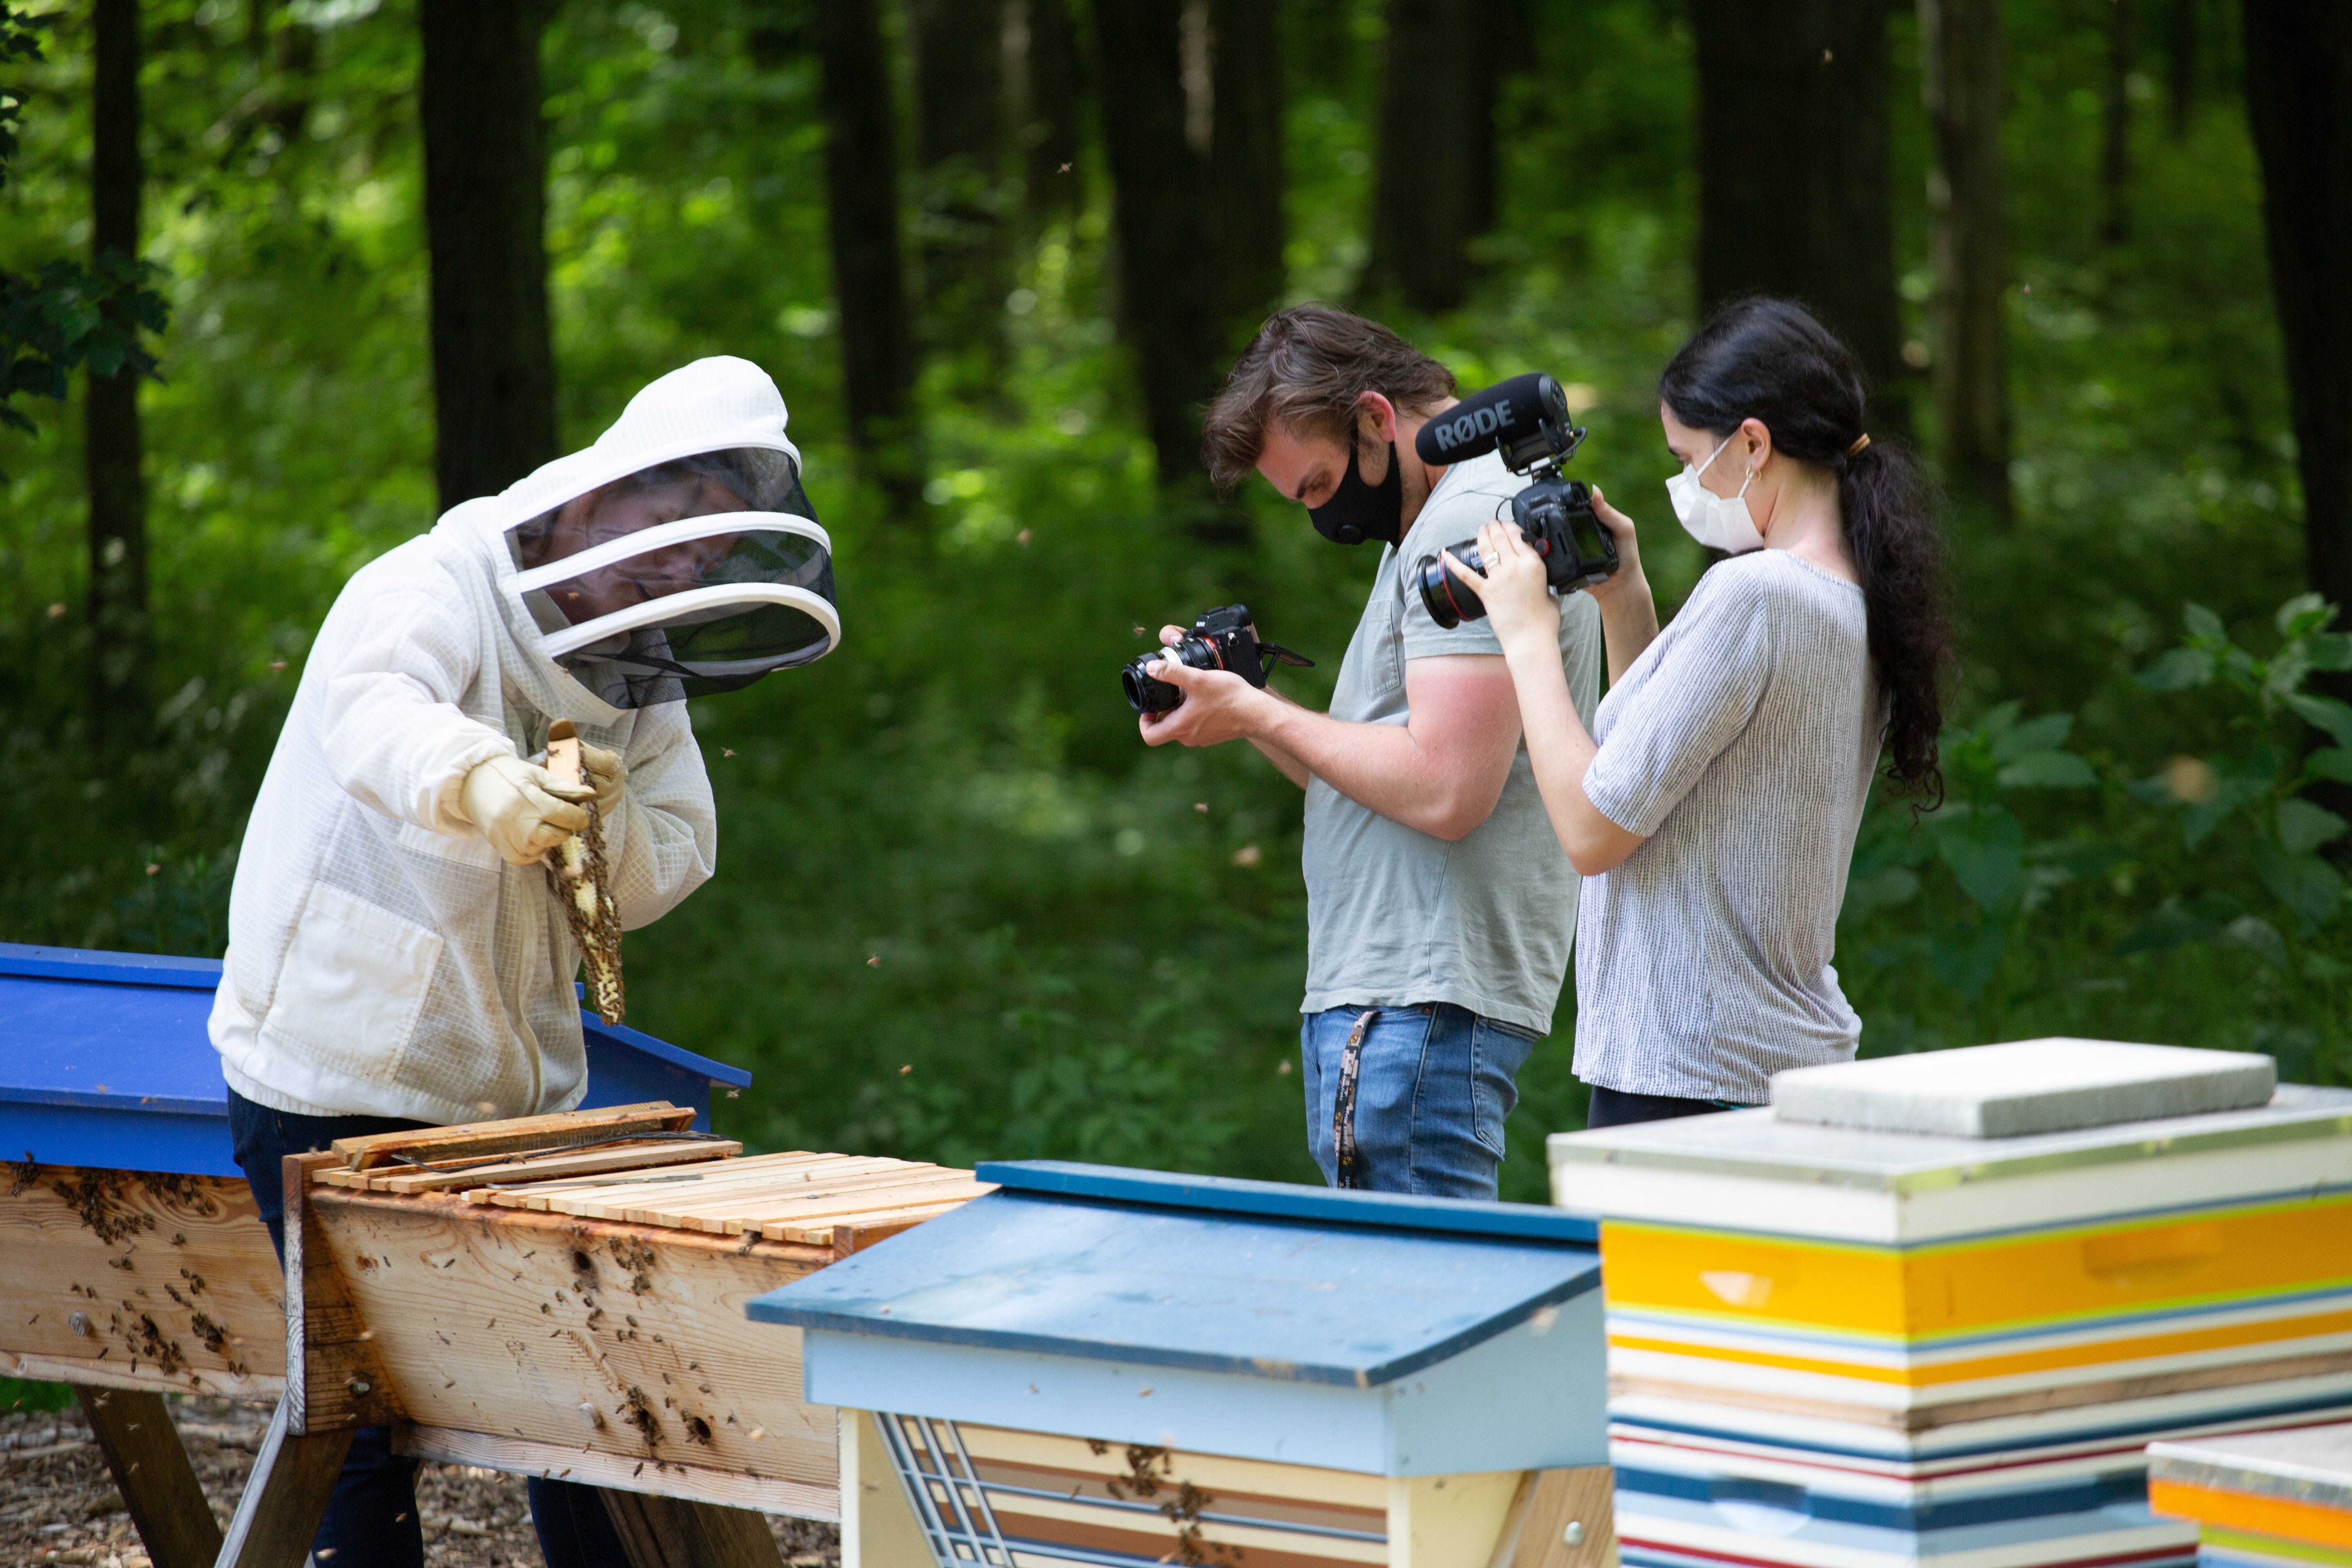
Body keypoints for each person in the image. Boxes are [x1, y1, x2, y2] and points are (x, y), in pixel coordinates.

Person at [207, 356, 839, 1568]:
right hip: (329, 1070)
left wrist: (599, 821)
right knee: (359, 1425)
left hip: (513, 1093)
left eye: (702, 562)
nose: (677, 575)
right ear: (605, 492)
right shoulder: (430, 585)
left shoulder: (639, 664)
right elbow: (371, 709)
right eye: (666, 536)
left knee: (572, 1405)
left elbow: (675, 855)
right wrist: (482, 778)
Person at [1443, 298, 1948, 1129]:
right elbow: (1665, 770)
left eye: (1687, 457)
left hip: (1688, 1073)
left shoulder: (1756, 594)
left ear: (1753, 443)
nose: (1686, 484)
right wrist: (1624, 597)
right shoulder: (1849, 593)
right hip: (1769, 1069)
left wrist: (1528, 633)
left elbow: (1595, 828)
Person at [1144, 305, 1603, 1198]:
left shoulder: (1466, 522)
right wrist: (1245, 705)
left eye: (1317, 487)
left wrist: (1258, 715)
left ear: (1375, 421)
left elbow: (1445, 792)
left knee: (1423, 1315)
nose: (1322, 515)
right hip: (1403, 1001)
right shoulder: (1439, 524)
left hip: (1413, 1004)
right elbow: (1389, 768)